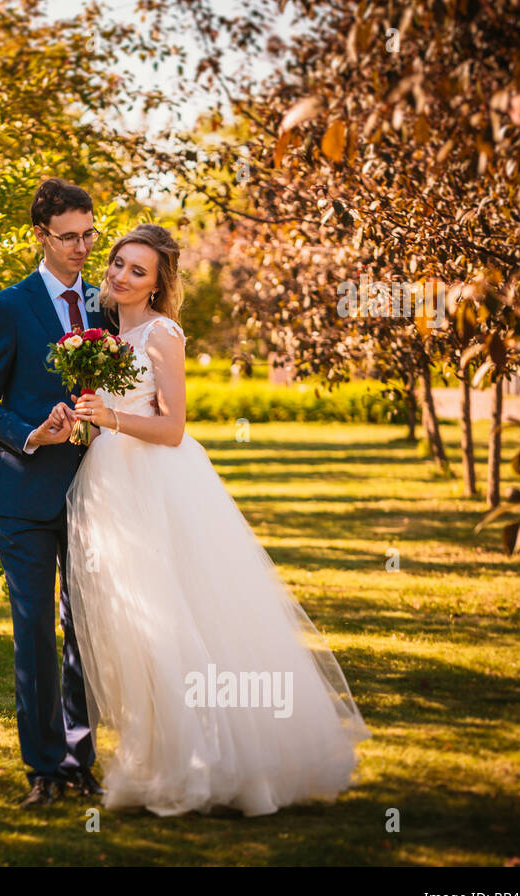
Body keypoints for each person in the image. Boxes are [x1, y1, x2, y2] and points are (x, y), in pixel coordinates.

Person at [63, 223, 371, 817]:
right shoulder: (102, 334)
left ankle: (223, 765)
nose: (121, 275)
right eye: (119, 263)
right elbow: (113, 413)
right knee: (139, 631)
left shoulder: (162, 333)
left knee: (182, 622)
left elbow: (173, 428)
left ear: (157, 285)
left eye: (138, 270)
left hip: (157, 485)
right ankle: (159, 760)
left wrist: (110, 418)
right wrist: (86, 420)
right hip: (110, 482)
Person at [0, 178, 104, 810]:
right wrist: (33, 435)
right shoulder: (9, 306)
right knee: (35, 634)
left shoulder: (107, 306)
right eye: (69, 236)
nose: (82, 247)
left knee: (87, 634)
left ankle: (79, 761)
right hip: (24, 499)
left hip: (100, 496)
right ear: (41, 236)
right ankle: (43, 768)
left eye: (89, 234)